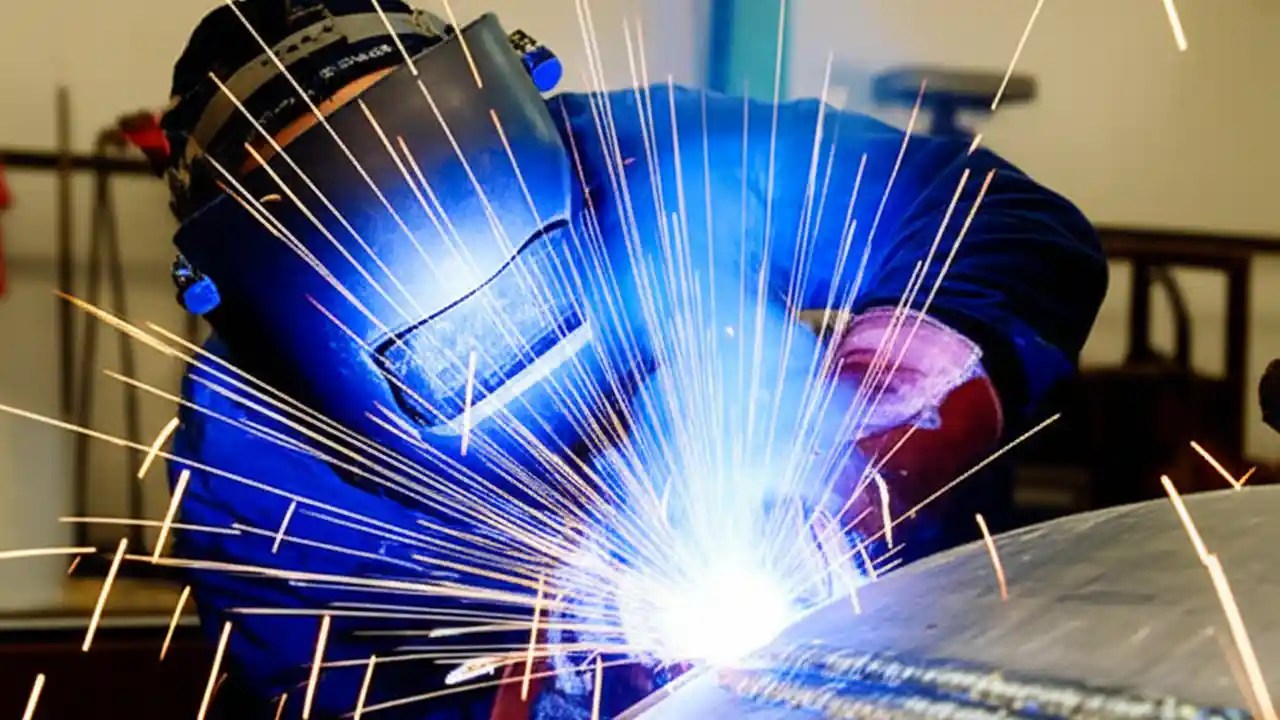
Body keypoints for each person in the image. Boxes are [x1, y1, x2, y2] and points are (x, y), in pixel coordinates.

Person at [154, 1, 1107, 718]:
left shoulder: (658, 153)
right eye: (340, 195)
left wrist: (869, 439)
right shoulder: (245, 442)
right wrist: (548, 692)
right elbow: (319, 695)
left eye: (428, 151)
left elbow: (1008, 227)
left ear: (508, 108)